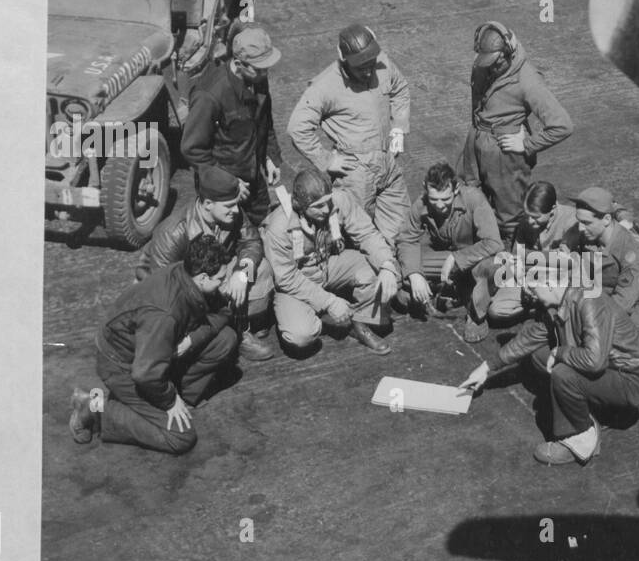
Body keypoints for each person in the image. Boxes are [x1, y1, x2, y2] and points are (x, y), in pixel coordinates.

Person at [458, 269, 639, 466]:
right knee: (538, 355)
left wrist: (560, 353)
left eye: (533, 289)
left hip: (631, 381)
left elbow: (595, 361)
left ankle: (580, 436)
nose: (529, 294)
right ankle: (583, 404)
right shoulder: (561, 301)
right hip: (610, 370)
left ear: (551, 285)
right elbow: (531, 338)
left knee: (562, 372)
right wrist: (486, 367)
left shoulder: (589, 302)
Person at [68, 236, 236, 455]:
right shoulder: (164, 314)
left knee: (225, 339)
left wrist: (192, 340)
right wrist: (169, 400)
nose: (224, 284)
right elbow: (144, 373)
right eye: (221, 279)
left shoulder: (187, 274)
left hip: (151, 350)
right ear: (203, 277)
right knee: (180, 437)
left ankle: (173, 397)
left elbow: (224, 312)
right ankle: (94, 408)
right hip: (120, 365)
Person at [134, 164, 277, 362]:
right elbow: (165, 287)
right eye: (229, 206)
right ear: (208, 204)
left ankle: (240, 328)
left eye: (236, 204)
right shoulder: (173, 233)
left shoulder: (229, 211)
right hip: (174, 285)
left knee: (258, 269)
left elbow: (251, 241)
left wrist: (241, 274)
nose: (236, 210)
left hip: (208, 276)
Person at [286, 23, 412, 245]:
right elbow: (297, 128)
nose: (368, 71)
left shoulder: (381, 63)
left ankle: (397, 271)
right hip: (355, 172)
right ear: (344, 61)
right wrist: (326, 160)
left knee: (403, 230)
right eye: (360, 67)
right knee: (359, 234)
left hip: (387, 162)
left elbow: (400, 89)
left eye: (370, 64)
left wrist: (398, 129)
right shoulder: (324, 86)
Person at [260, 168, 400, 356]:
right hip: (296, 281)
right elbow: (285, 279)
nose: (325, 210)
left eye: (327, 202)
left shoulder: (339, 200)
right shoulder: (279, 227)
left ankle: (359, 322)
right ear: (299, 205)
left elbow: (366, 233)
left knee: (379, 270)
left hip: (328, 265)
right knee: (301, 336)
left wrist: (387, 265)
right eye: (317, 206)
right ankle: (320, 313)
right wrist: (329, 302)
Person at [455, 21, 574, 239]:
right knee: (467, 197)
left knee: (508, 216)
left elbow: (562, 124)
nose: (491, 67)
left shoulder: (528, 80)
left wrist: (527, 144)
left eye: (497, 63)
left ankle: (510, 262)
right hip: (477, 139)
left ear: (509, 52)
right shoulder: (483, 63)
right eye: (487, 62)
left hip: (505, 151)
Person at [181, 25, 284, 226]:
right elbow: (192, 149)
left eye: (267, 67)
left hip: (253, 177)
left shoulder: (257, 77)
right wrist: (229, 184)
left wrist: (270, 156)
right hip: (223, 190)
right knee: (227, 242)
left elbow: (264, 120)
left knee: (264, 228)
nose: (265, 73)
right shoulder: (209, 95)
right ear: (238, 63)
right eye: (260, 68)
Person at [395, 162, 503, 343]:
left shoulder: (474, 199)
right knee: (401, 270)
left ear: (456, 189)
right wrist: (414, 274)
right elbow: (406, 239)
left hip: (477, 259)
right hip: (446, 259)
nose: (439, 206)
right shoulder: (420, 204)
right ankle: (453, 290)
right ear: (425, 189)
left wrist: (457, 258)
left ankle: (477, 315)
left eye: (445, 199)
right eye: (433, 199)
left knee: (493, 267)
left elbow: (494, 243)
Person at [571, 186, 639, 348]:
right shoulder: (590, 237)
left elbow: (620, 306)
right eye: (579, 222)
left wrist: (585, 320)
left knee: (600, 342)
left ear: (606, 219)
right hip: (604, 300)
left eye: (586, 223)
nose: (580, 228)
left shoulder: (634, 253)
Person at [485, 180, 581, 323]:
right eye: (527, 215)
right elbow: (517, 258)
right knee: (496, 310)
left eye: (535, 217)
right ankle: (538, 309)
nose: (529, 221)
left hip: (558, 281)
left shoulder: (571, 220)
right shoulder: (525, 222)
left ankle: (547, 307)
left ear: (553, 209)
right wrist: (523, 282)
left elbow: (570, 264)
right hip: (530, 278)